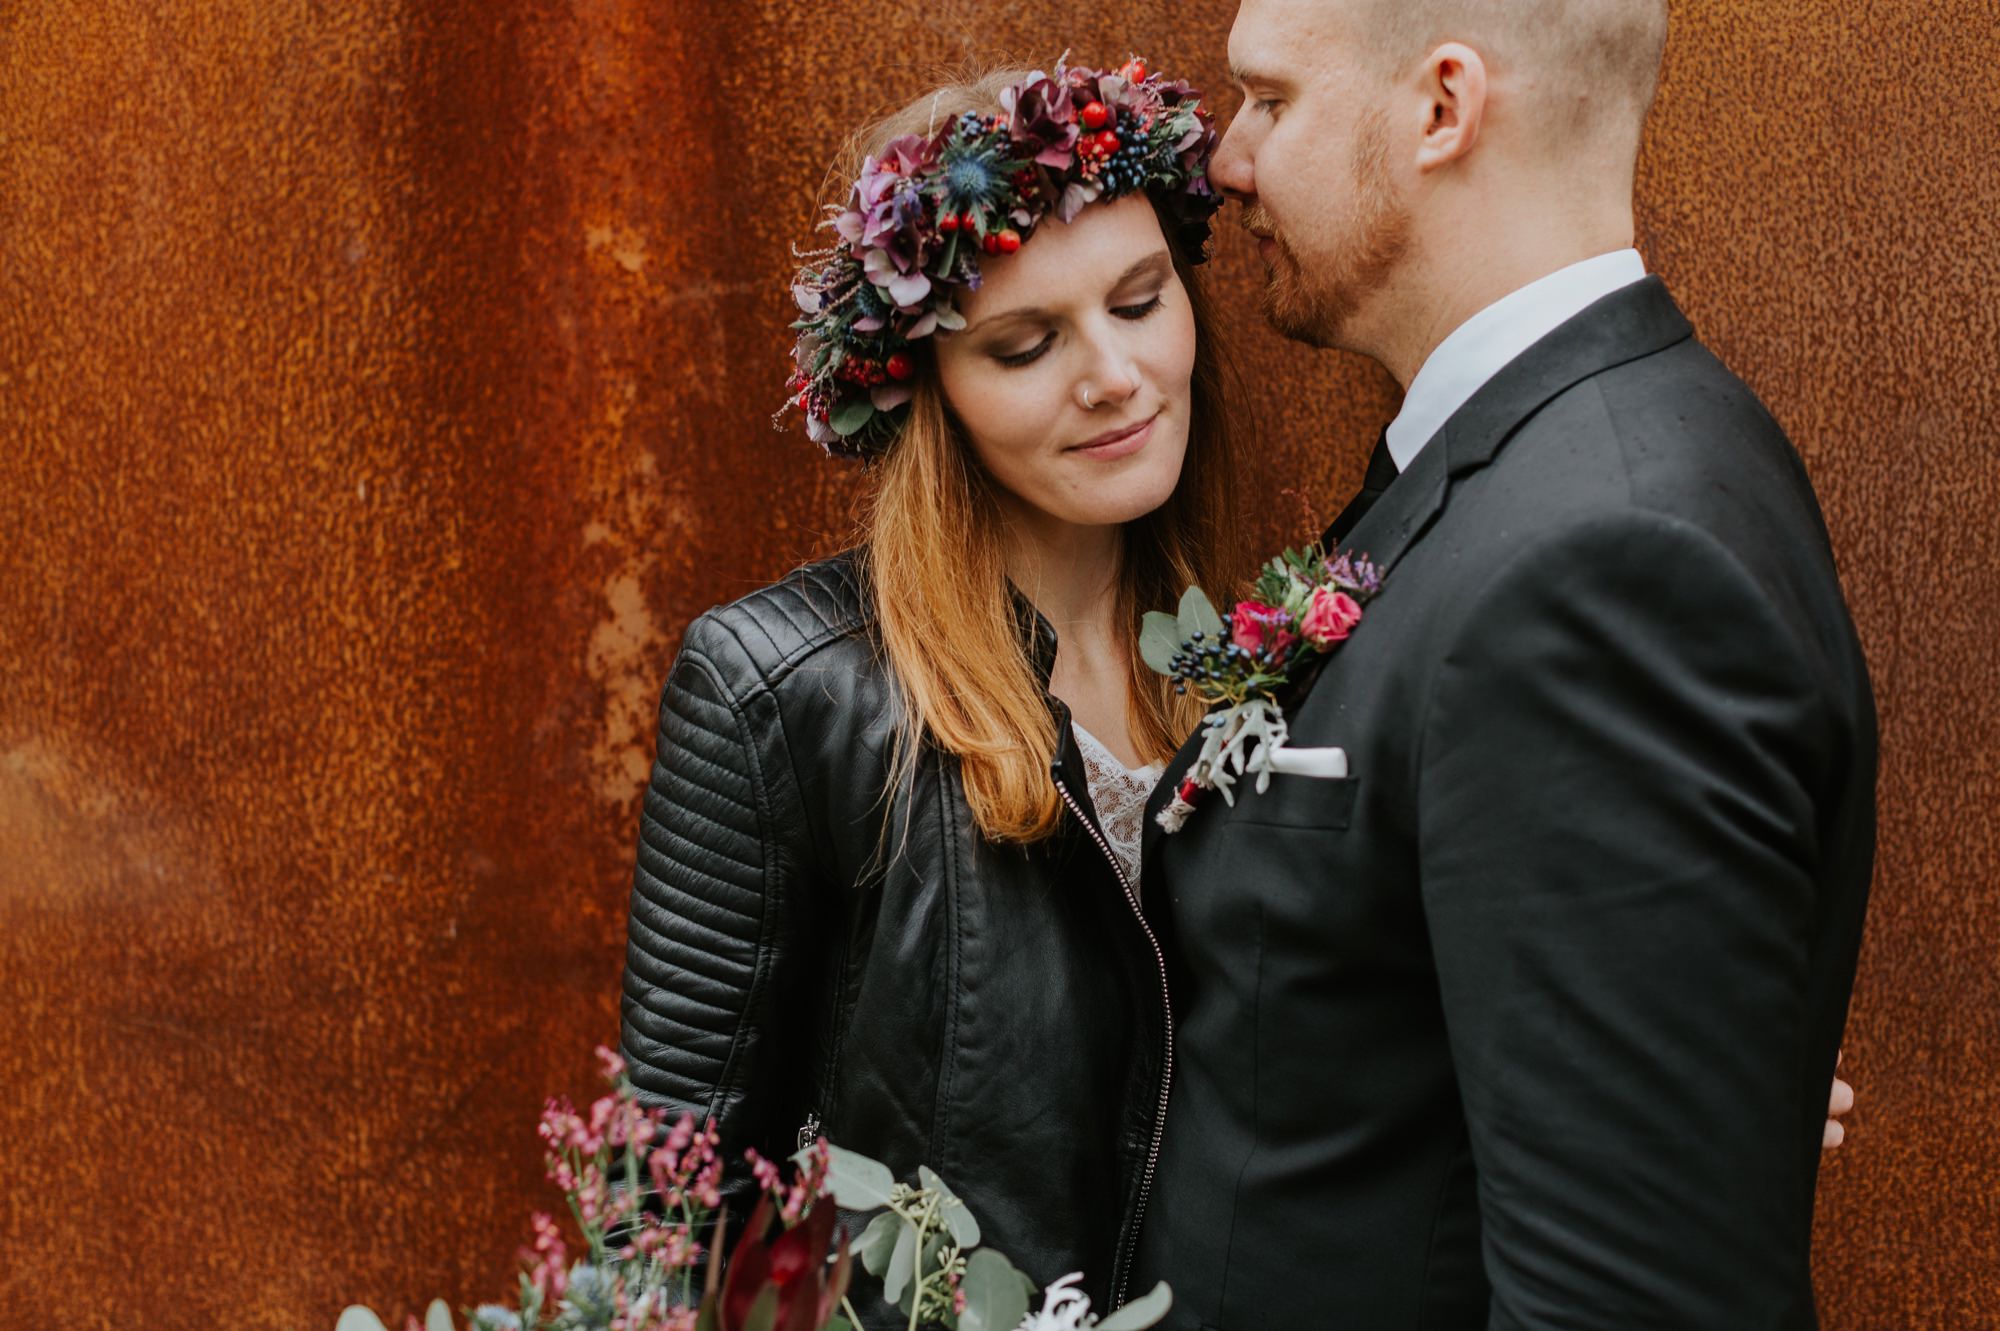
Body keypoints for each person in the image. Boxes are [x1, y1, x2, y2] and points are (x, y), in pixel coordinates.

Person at [1131, 2, 1877, 1328]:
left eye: (1272, 100)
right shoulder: (1525, 461)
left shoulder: (1605, 564)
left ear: (1442, 107)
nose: (1228, 161)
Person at [617, 59, 1234, 1327]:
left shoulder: (1251, 659)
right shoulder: (782, 692)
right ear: (926, 390)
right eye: (1025, 345)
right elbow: (662, 1223)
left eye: (1138, 300)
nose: (1113, 374)